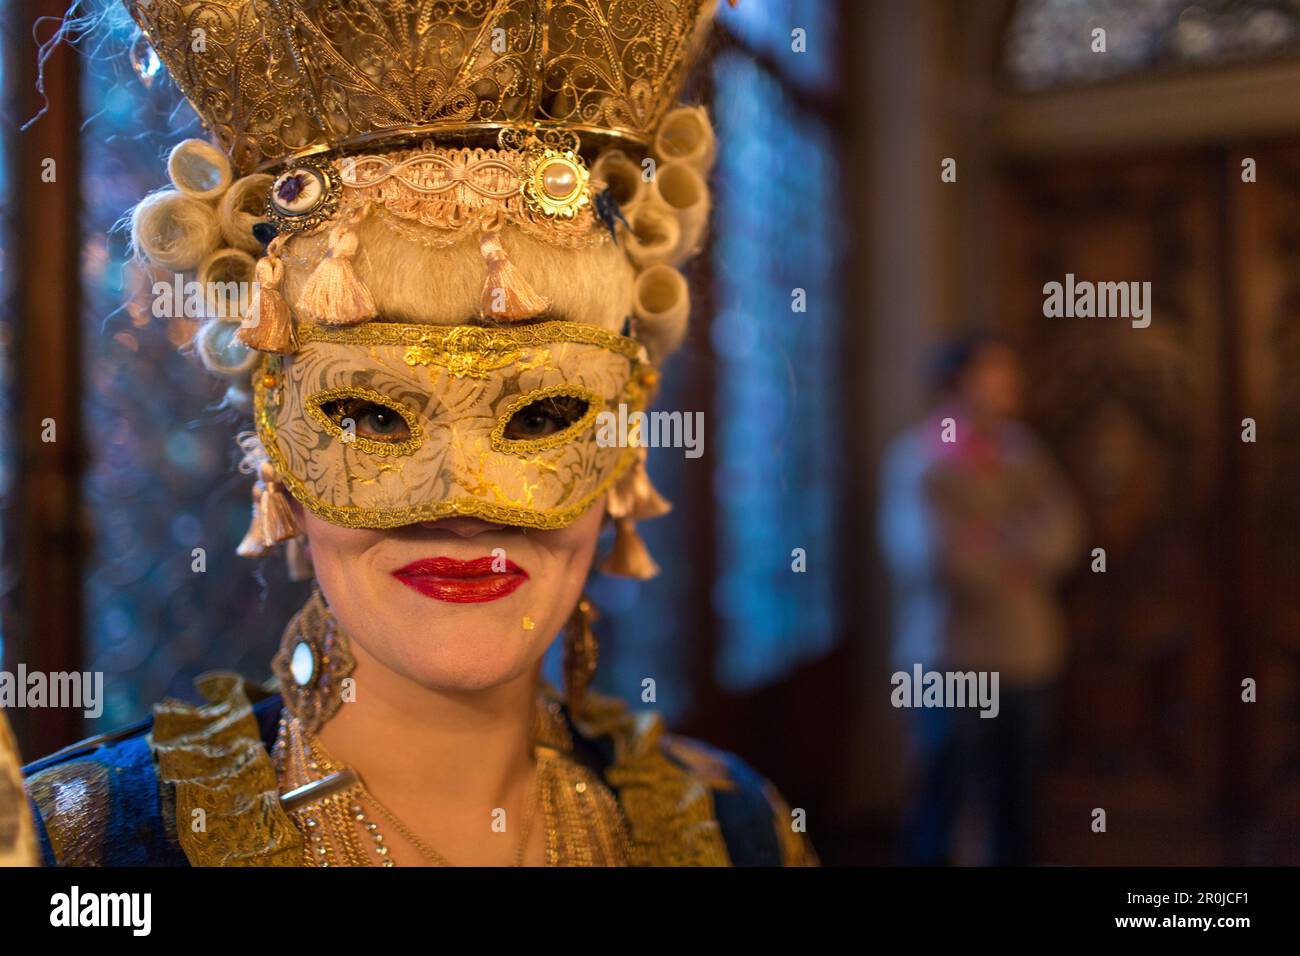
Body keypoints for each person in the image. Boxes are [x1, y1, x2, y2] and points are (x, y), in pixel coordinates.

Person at [19, 0, 815, 867]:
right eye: (367, 413)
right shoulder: (87, 850)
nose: (461, 498)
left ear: (627, 440)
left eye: (543, 415)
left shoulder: (732, 834)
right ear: (272, 441)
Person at [878, 333, 1082, 865]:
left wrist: (989, 539)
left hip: (1024, 652)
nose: (1008, 388)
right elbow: (930, 557)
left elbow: (1064, 532)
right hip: (951, 657)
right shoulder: (919, 460)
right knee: (942, 796)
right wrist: (1013, 549)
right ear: (958, 384)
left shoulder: (1024, 453)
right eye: (995, 375)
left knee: (1018, 802)